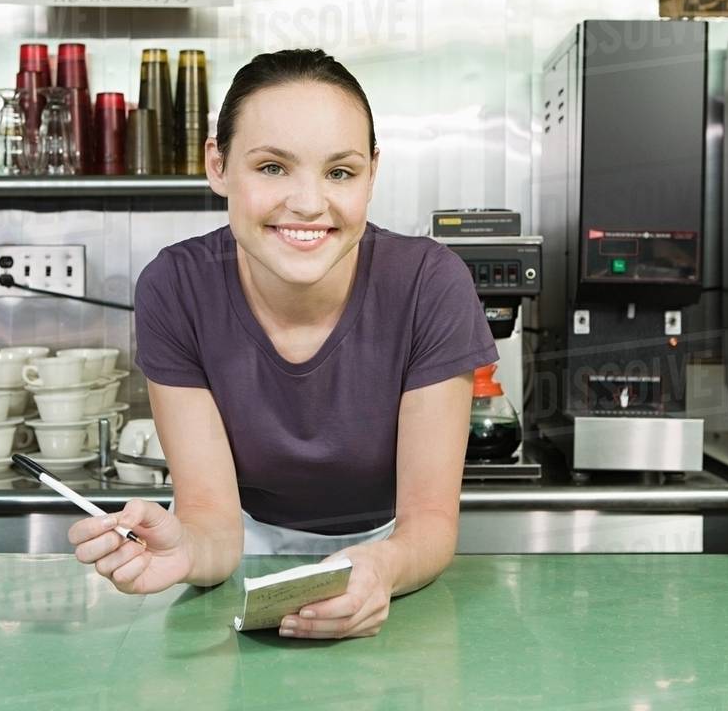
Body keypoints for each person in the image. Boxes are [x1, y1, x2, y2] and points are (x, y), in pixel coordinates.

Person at [69, 48, 496, 639]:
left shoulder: (429, 282)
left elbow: (428, 524)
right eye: (272, 167)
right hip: (243, 551)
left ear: (372, 174)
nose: (308, 203)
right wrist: (186, 552)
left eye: (339, 172)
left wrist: (380, 567)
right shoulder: (175, 286)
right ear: (217, 166)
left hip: (394, 560)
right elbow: (212, 521)